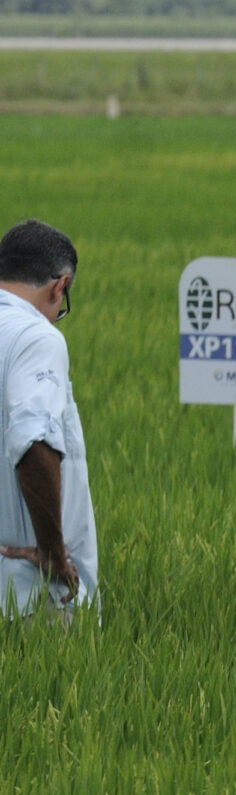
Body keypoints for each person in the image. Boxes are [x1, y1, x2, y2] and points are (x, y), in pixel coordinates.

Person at [0, 219, 95, 622]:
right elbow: (33, 440)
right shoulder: (36, 336)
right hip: (28, 596)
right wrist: (53, 552)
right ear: (60, 286)